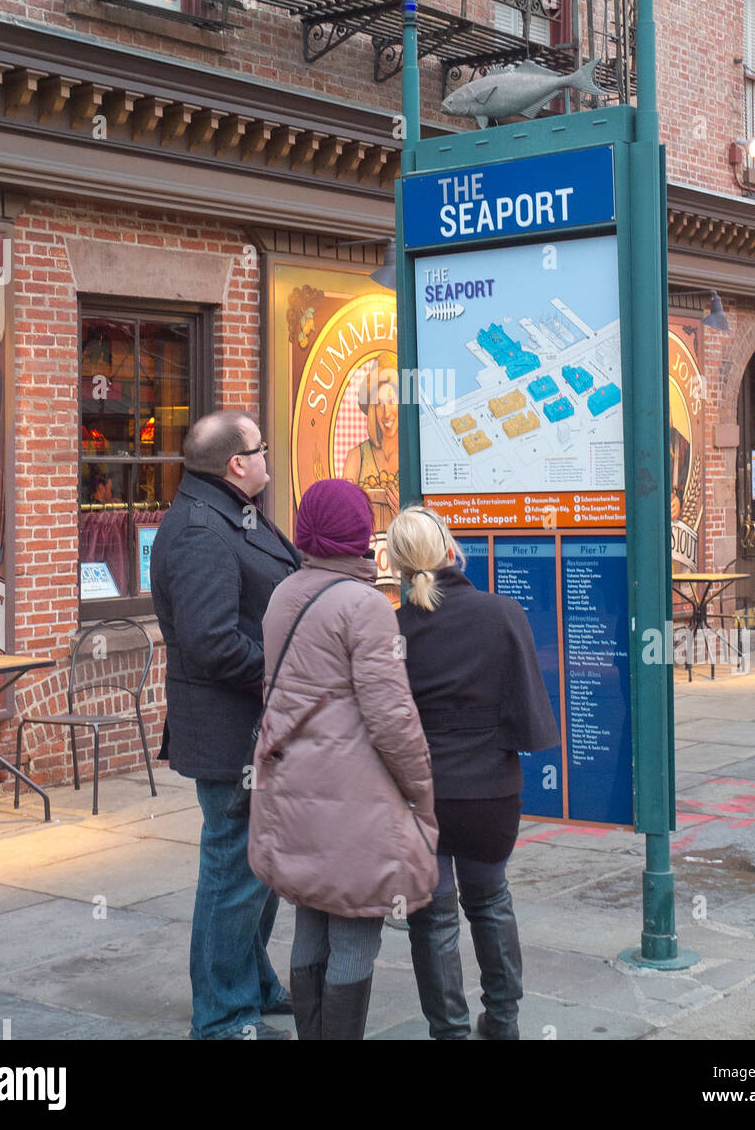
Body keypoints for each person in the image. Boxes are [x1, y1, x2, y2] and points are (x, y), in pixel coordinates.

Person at [248, 479, 438, 1041]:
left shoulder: (284, 594)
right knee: (356, 924)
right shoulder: (365, 606)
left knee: (311, 910)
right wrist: (421, 790)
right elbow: (391, 719)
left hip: (295, 787)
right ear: (358, 534)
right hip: (354, 793)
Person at [150, 410, 300, 1041]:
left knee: (257, 869)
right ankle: (221, 1013)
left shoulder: (229, 510)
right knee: (233, 869)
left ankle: (253, 981)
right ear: (237, 464)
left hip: (257, 726)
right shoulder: (200, 531)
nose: (269, 458)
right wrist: (290, 670)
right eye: (262, 449)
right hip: (230, 731)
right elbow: (212, 643)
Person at [387, 506, 560, 1041]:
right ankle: (504, 1021)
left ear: (394, 564)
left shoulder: (391, 629)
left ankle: (451, 1032)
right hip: (490, 793)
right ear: (450, 550)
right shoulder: (501, 614)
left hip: (422, 798)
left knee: (433, 918)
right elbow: (530, 719)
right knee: (490, 901)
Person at [342, 359, 400, 532]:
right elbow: (343, 521)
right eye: (378, 404)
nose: (386, 413)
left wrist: (403, 517)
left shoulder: (415, 456)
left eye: (391, 401)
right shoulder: (356, 457)